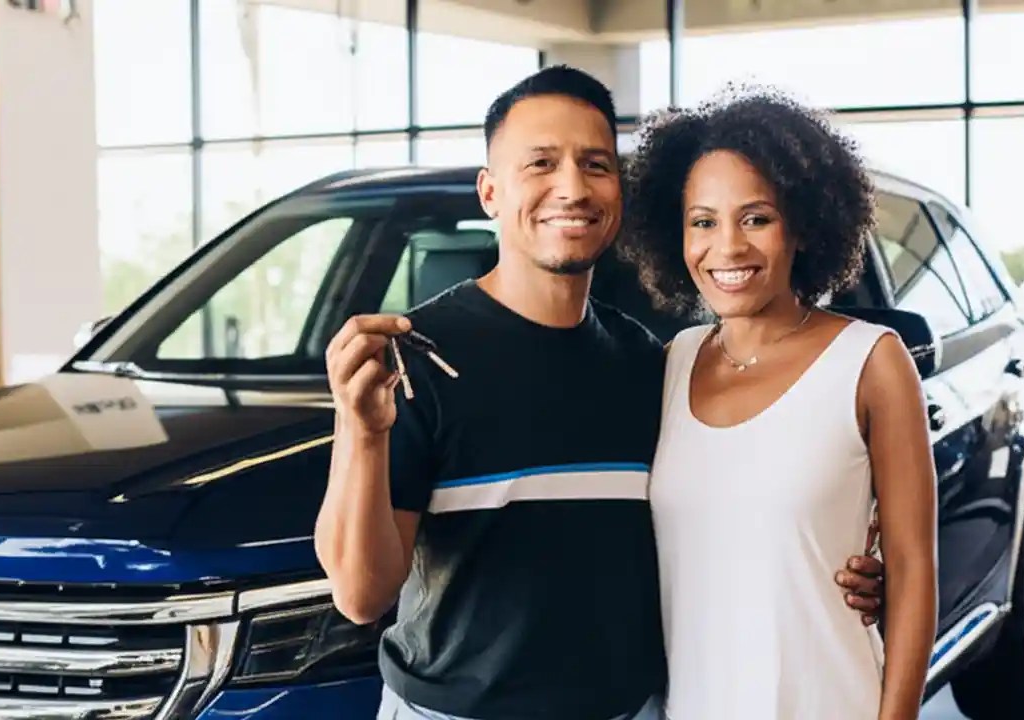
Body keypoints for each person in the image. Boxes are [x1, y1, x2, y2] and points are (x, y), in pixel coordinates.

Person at [316, 66, 887, 720]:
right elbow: (361, 595)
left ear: (621, 190)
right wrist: (360, 432)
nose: (571, 187)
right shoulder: (419, 356)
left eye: (595, 164)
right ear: (490, 193)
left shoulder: (649, 364)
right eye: (540, 163)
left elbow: (735, 516)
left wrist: (855, 568)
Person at [621, 84, 938, 719]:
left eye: (756, 218)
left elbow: (912, 569)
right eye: (703, 222)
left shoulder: (871, 361)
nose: (728, 247)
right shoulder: (673, 360)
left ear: (803, 227)